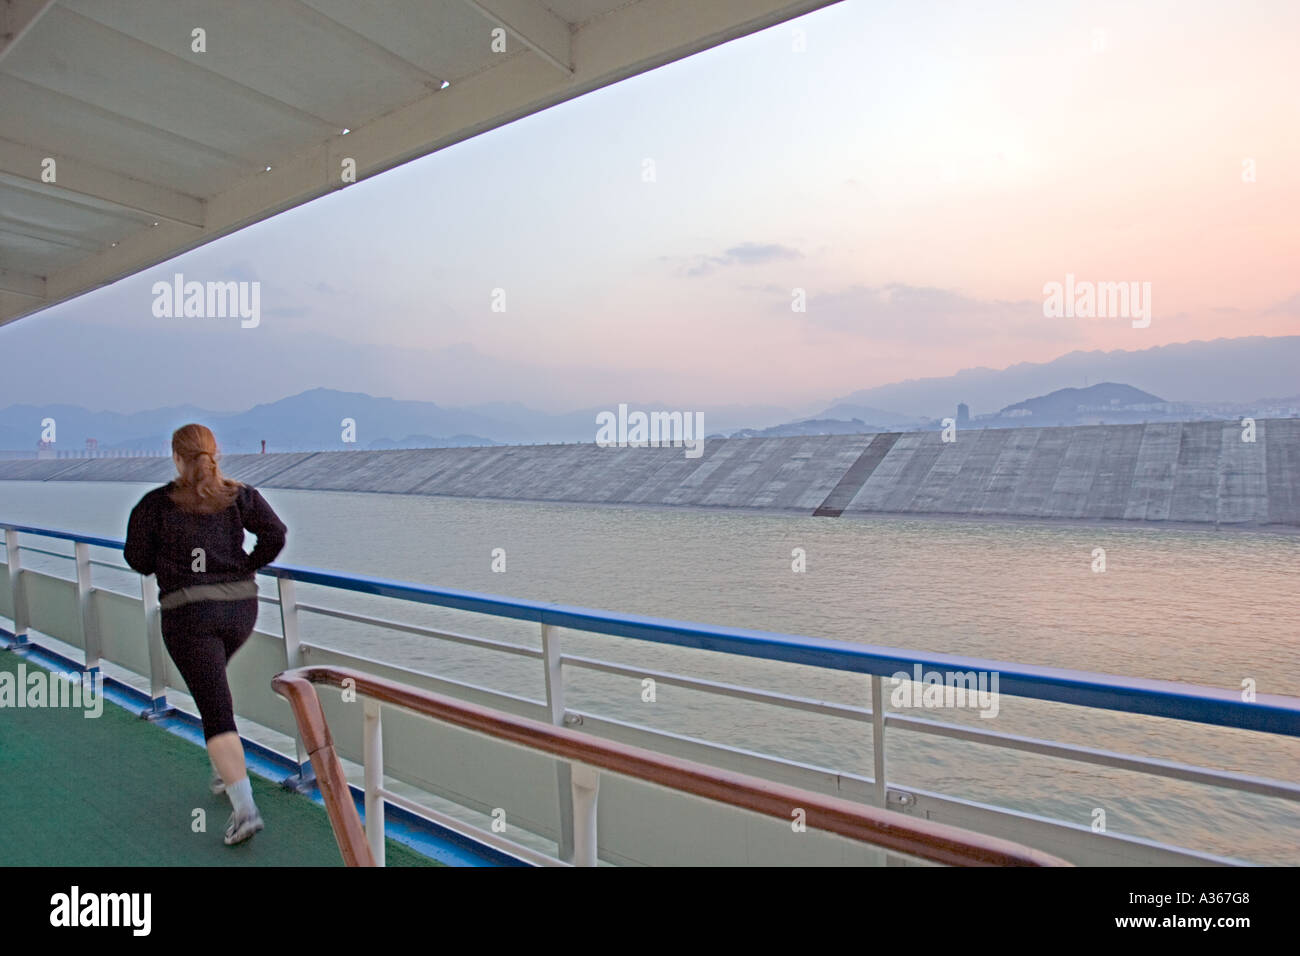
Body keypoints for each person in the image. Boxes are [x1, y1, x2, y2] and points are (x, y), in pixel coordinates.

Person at [124, 423, 287, 845]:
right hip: (240, 612)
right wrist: (246, 564)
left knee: (215, 712)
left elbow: (138, 560)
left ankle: (245, 809)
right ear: (216, 454)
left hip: (189, 617)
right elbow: (276, 534)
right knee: (213, 689)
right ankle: (224, 768)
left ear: (176, 458)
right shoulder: (238, 495)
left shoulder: (156, 504)